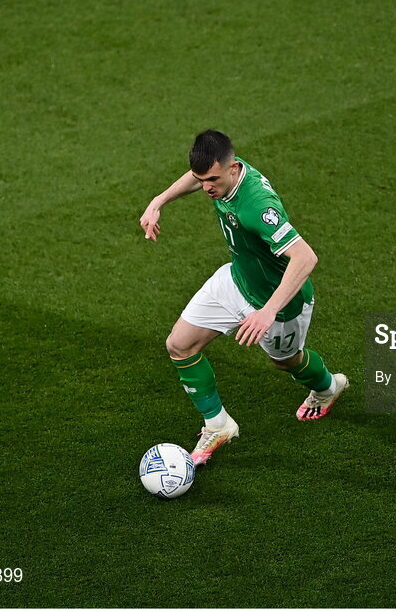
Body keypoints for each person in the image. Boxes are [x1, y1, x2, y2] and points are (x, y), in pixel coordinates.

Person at [139, 130, 348, 466]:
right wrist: (157, 202)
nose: (207, 188)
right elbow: (198, 177)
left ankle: (328, 386)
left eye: (213, 180)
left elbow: (306, 258)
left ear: (233, 169)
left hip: (280, 303)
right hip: (236, 280)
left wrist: (267, 312)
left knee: (285, 361)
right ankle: (218, 424)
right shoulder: (224, 174)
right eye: (201, 179)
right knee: (179, 345)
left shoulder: (258, 207)